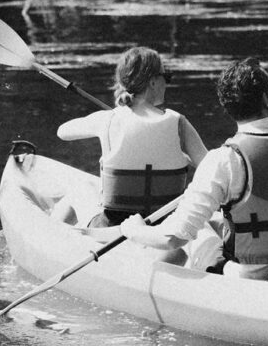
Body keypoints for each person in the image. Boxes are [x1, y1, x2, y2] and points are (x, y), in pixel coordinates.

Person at [120, 57, 268, 279]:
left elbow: (174, 238)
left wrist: (134, 230)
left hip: (253, 279)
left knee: (200, 228)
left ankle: (151, 281)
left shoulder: (222, 160)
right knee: (216, 221)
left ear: (228, 108)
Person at [57, 46, 207, 226]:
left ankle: (56, 240)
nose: (167, 84)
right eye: (165, 77)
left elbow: (62, 132)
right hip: (165, 226)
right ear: (153, 82)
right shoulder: (179, 123)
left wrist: (109, 117)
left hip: (112, 228)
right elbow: (211, 170)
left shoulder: (107, 119)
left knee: (79, 190)